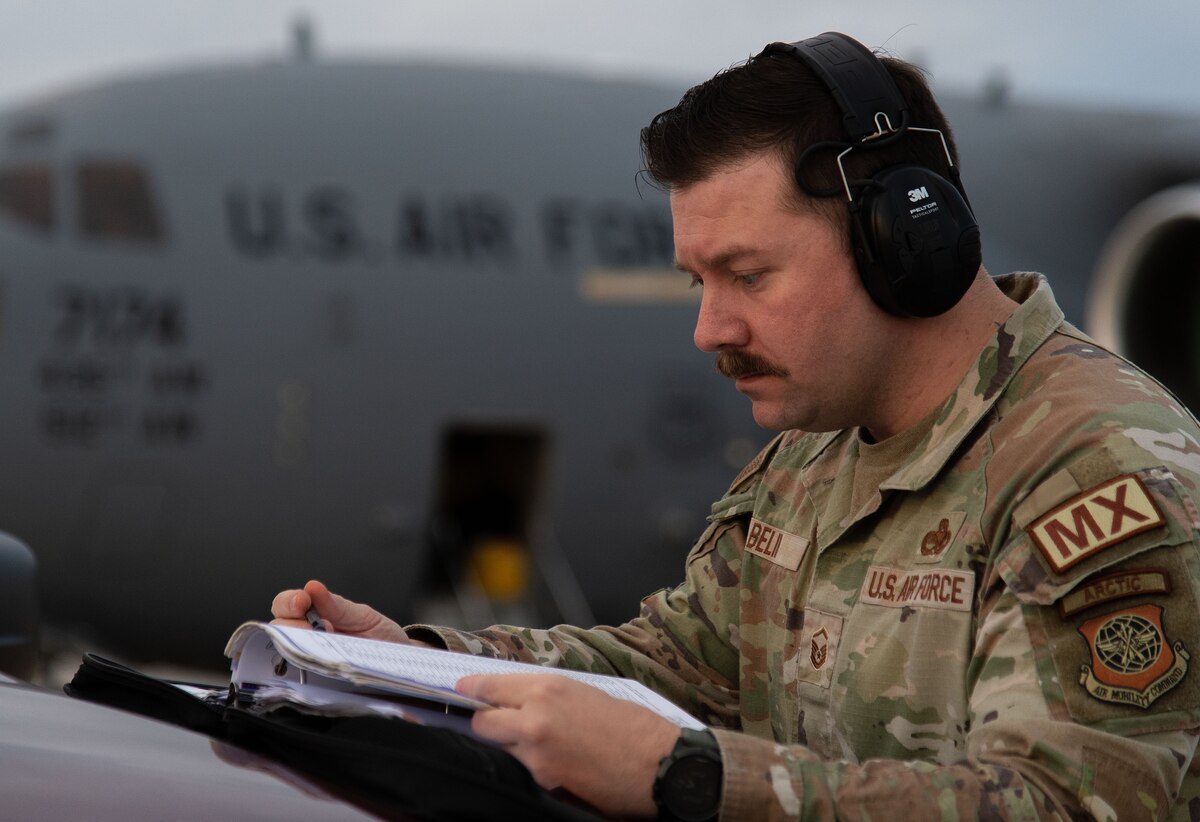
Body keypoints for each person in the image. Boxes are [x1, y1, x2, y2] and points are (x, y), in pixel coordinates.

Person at [273, 32, 1200, 820]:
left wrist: (694, 780)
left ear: (904, 242)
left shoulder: (1097, 474)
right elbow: (679, 664)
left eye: (749, 276)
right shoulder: (812, 459)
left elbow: (1067, 801)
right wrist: (415, 663)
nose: (710, 329)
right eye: (698, 282)